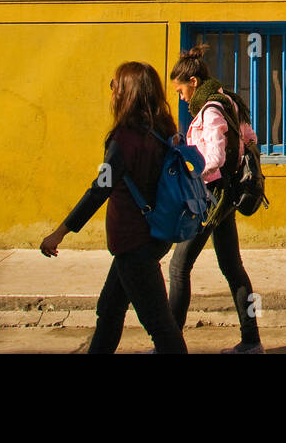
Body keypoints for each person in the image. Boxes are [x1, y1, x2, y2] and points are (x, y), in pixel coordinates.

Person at [39, 61, 188, 354]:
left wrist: (60, 232)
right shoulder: (162, 131)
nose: (111, 92)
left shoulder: (125, 139)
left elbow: (100, 189)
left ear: (126, 93)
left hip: (133, 242)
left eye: (114, 86)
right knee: (109, 309)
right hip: (154, 235)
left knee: (160, 325)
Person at [167, 44, 263, 354]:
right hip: (227, 198)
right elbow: (250, 139)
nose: (181, 98)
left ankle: (169, 345)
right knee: (233, 268)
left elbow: (215, 157)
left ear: (193, 82)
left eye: (181, 91)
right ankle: (251, 341)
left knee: (179, 268)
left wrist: (185, 162)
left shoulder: (209, 109)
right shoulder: (228, 101)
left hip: (207, 199)